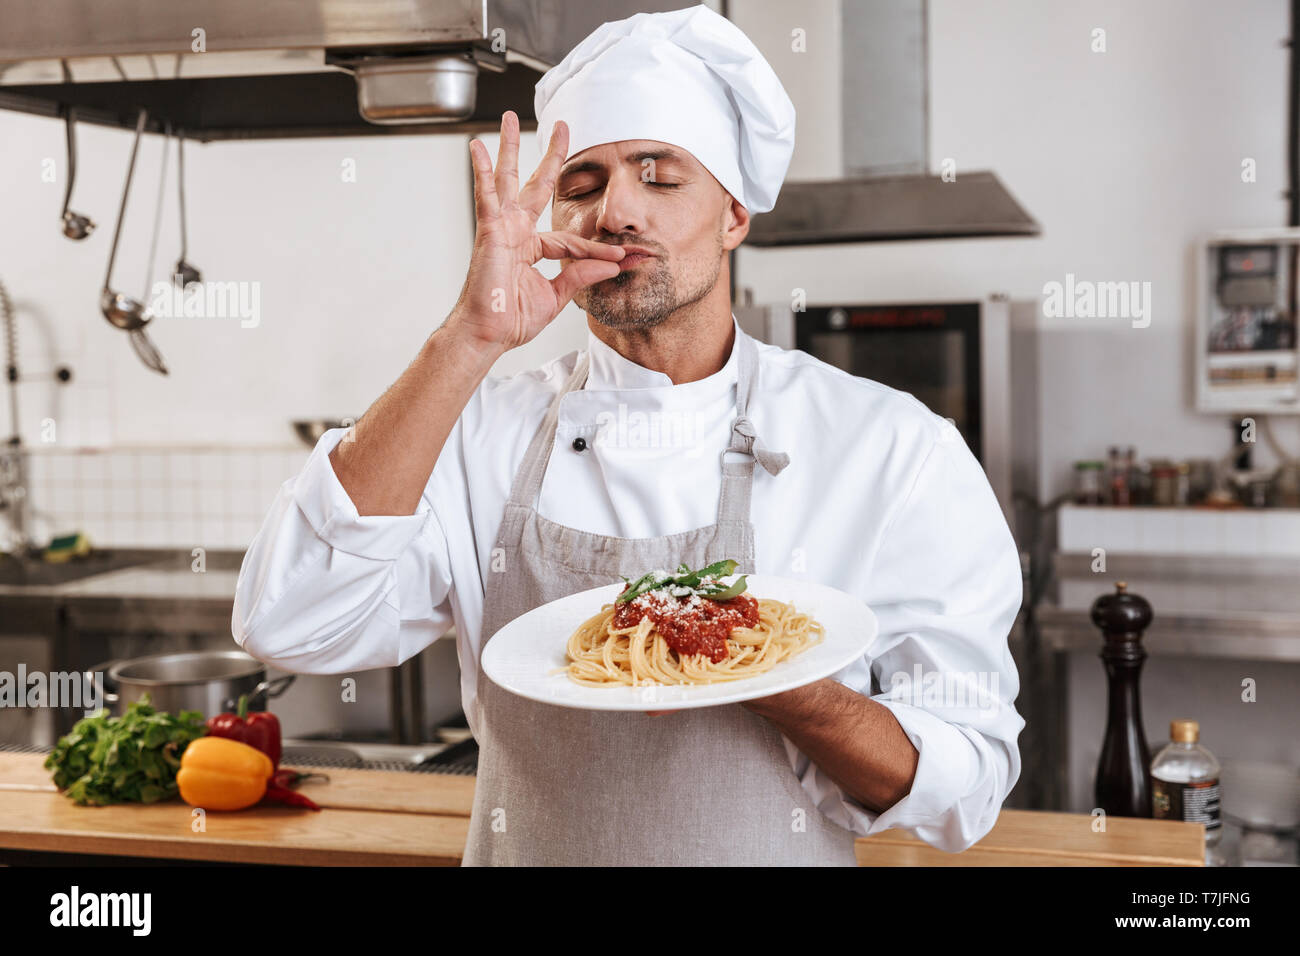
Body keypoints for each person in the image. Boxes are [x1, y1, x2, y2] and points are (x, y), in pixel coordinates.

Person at [233, 5, 1024, 866]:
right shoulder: (479, 430)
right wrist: (468, 337)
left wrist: (782, 685)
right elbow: (291, 624)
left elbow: (966, 785)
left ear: (733, 215)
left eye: (659, 173)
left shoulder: (891, 448)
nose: (616, 211)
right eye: (582, 182)